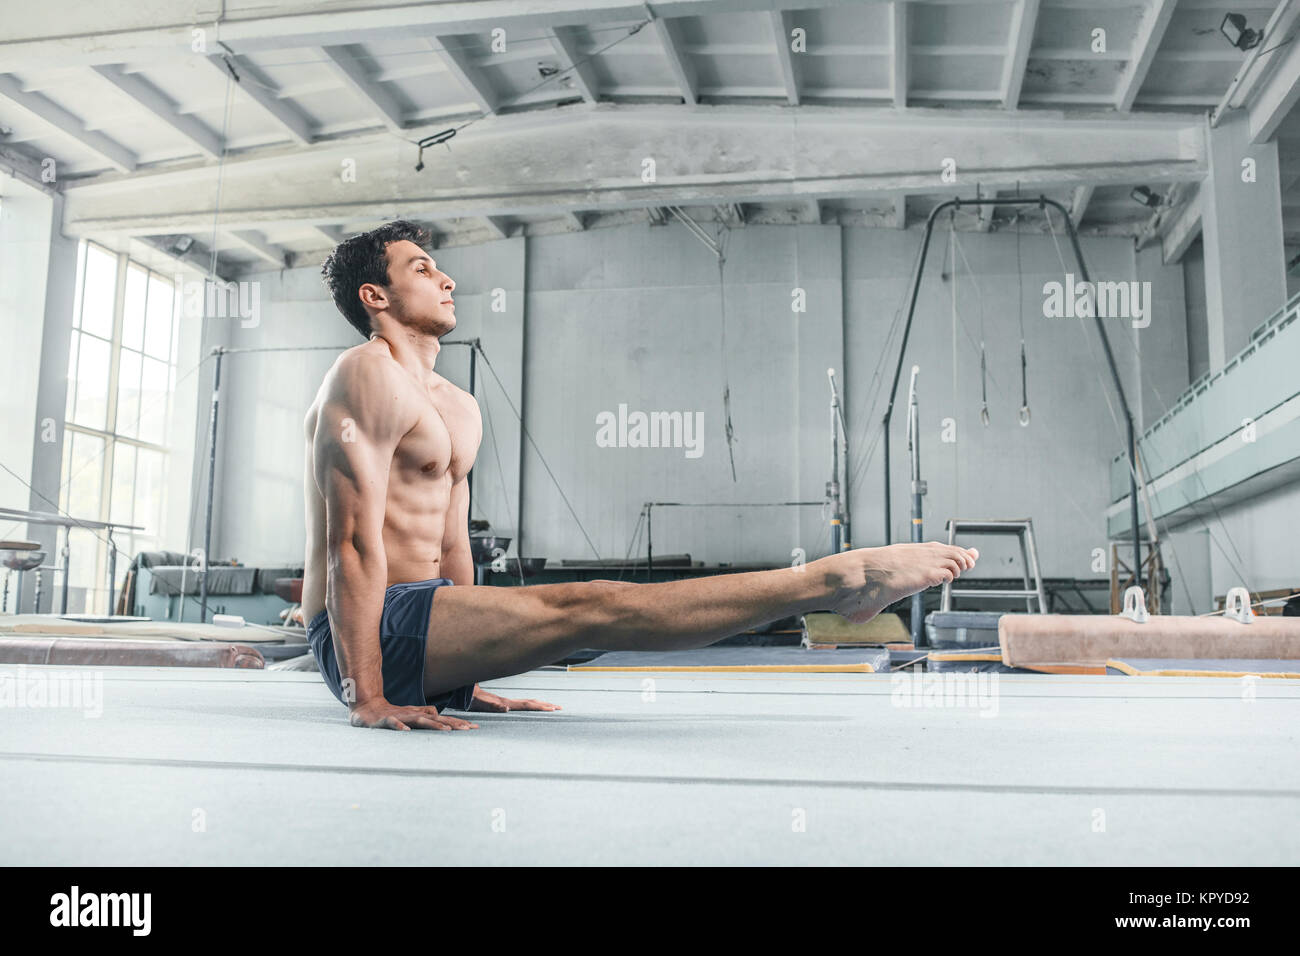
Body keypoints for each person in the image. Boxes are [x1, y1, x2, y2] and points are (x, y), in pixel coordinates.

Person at [302, 221, 978, 731]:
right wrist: (368, 697)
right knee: (587, 606)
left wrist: (468, 675)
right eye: (422, 269)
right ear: (376, 295)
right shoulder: (365, 375)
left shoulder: (459, 406)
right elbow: (352, 545)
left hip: (426, 629)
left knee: (588, 623)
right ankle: (834, 582)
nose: (447, 280)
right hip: (359, 634)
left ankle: (831, 589)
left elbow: (452, 551)